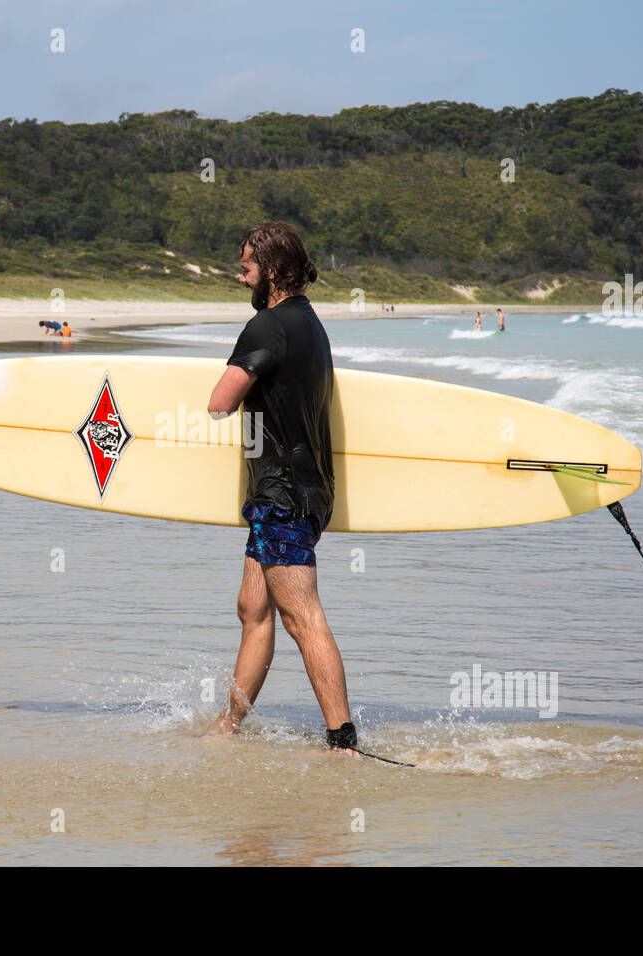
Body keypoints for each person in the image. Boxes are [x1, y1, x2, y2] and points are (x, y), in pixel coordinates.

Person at [205, 221, 355, 753]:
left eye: (245, 264)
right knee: (254, 608)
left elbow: (220, 402)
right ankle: (228, 727)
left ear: (270, 270)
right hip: (300, 491)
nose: (238, 272)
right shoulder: (309, 323)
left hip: (283, 498)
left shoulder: (267, 328)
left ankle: (343, 740)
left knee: (301, 614)